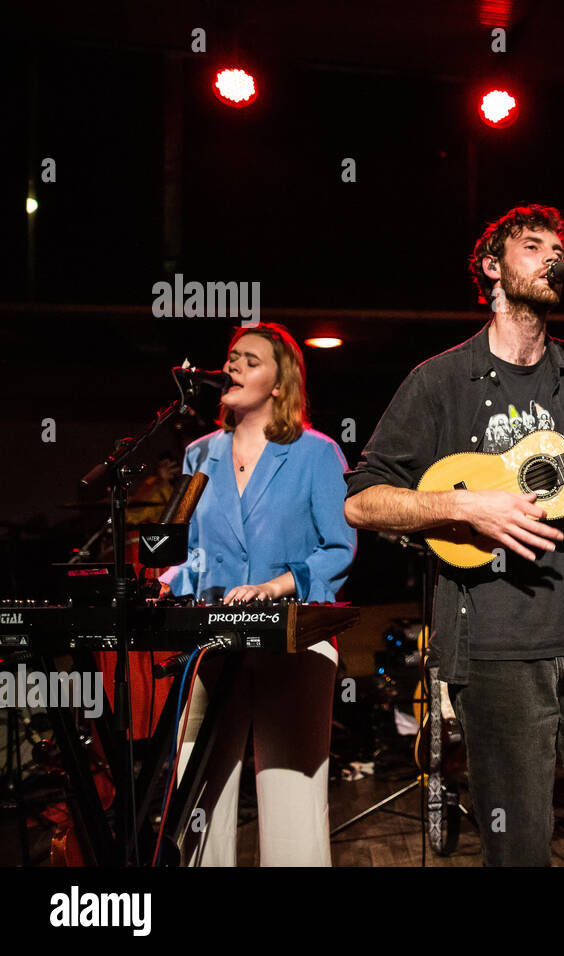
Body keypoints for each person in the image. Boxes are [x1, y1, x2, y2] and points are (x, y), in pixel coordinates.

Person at [344, 204, 564, 866]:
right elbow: (362, 501)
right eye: (532, 246)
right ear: (492, 267)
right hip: (495, 655)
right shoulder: (439, 381)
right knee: (519, 849)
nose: (554, 257)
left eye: (560, 247)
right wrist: (470, 509)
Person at [161, 322, 356, 866]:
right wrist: (171, 581)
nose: (233, 366)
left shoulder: (317, 453)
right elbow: (186, 551)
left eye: (250, 360)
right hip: (211, 643)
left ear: (279, 383)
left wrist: (275, 584)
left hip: (293, 640)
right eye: (231, 358)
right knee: (198, 801)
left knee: (292, 803)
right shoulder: (198, 455)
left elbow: (339, 548)